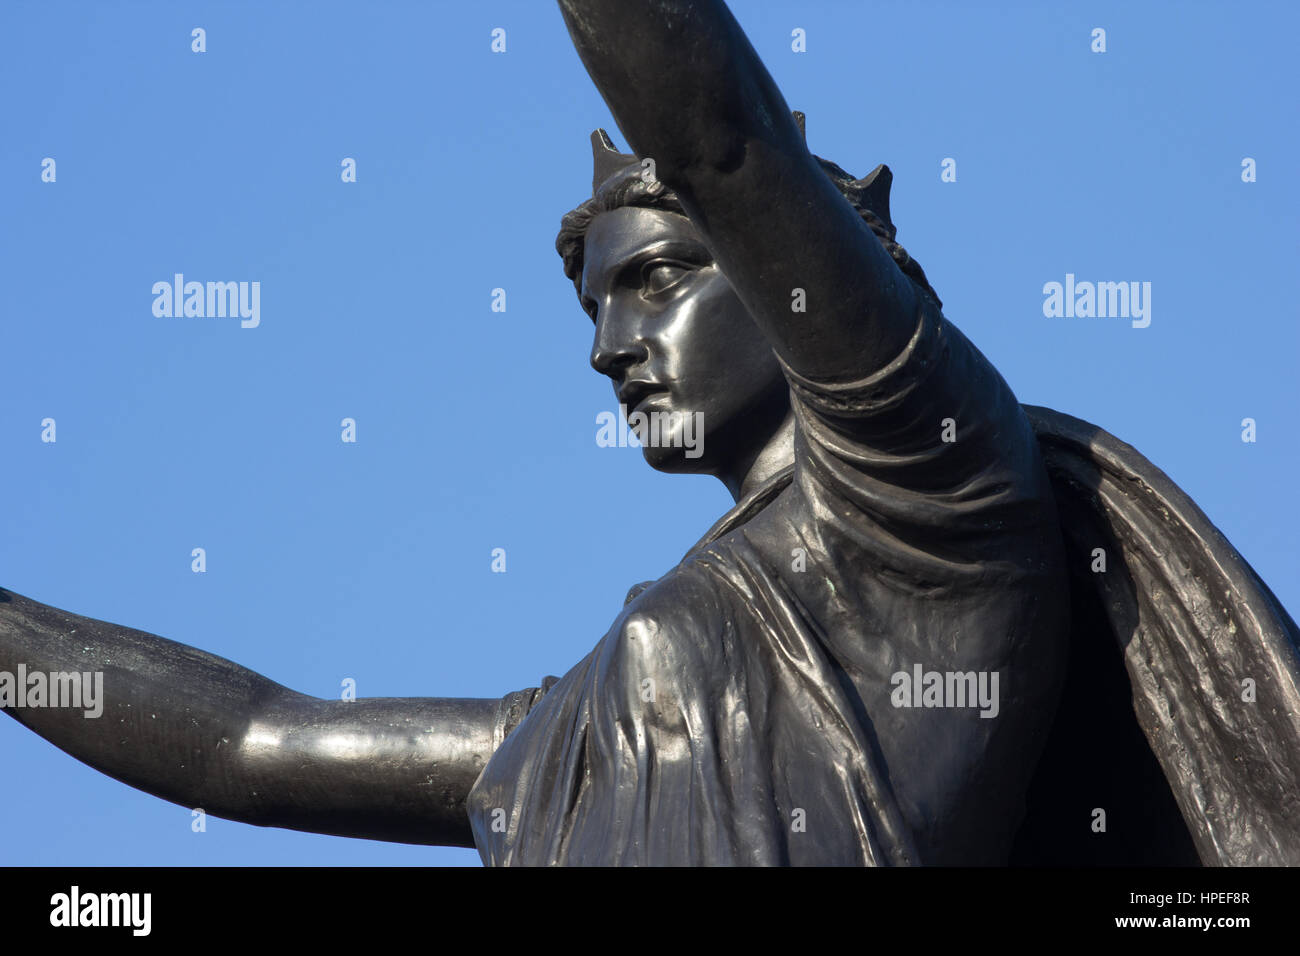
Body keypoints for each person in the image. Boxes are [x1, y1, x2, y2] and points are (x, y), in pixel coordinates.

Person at [4, 0, 1298, 866]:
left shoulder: (934, 491)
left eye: (659, 282)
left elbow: (721, 139)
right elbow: (252, 746)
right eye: (594, 303)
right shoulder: (589, 718)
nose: (608, 342)